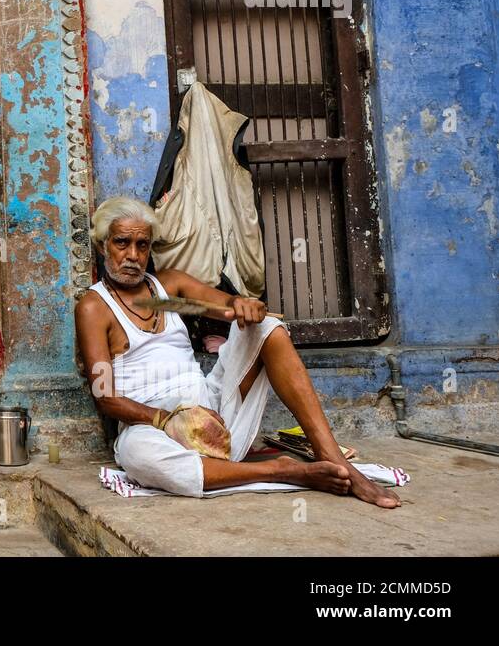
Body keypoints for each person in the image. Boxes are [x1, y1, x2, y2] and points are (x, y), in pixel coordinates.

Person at [75, 196, 400, 507]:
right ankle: (283, 471)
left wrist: (240, 304)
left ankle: (332, 457)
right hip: (154, 427)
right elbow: (105, 397)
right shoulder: (94, 307)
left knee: (267, 329)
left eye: (142, 245)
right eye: (122, 243)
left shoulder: (169, 286)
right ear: (103, 245)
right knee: (137, 455)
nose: (133, 254)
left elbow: (222, 305)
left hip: (217, 420)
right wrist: (168, 421)